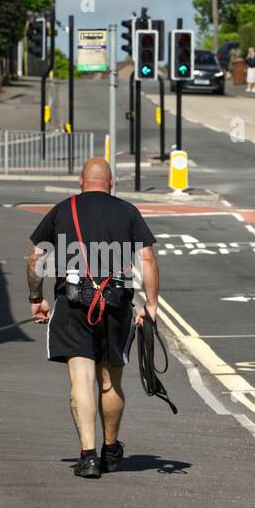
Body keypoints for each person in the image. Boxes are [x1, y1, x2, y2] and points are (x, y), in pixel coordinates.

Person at [27, 157, 159, 478]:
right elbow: (148, 258)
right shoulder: (127, 211)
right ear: (111, 183)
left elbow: (36, 257)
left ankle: (87, 457)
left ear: (81, 183)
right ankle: (110, 450)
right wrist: (151, 305)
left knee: (81, 380)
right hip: (116, 303)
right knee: (110, 381)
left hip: (73, 303)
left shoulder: (62, 209)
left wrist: (36, 298)